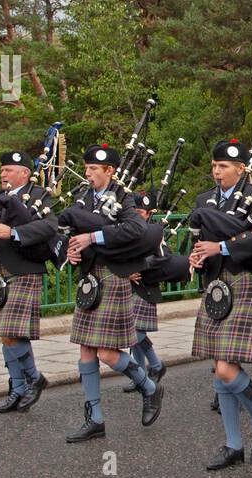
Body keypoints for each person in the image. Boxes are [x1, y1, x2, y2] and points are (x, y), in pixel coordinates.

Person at [13, 143, 164, 442]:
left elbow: (135, 231)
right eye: (86, 168)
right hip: (89, 278)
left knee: (107, 353)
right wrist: (73, 248)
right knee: (85, 349)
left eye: (94, 169)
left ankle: (148, 386)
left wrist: (92, 237)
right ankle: (95, 417)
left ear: (110, 170)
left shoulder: (124, 198)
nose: (88, 173)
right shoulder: (82, 196)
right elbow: (66, 228)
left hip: (113, 276)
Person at [189, 139, 252, 470]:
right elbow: (197, 238)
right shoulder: (204, 200)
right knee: (219, 368)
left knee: (227, 368)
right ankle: (232, 444)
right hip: (215, 285)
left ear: (241, 169)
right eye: (214, 166)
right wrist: (196, 255)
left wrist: (222, 248)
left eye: (224, 166)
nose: (217, 171)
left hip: (245, 281)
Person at [0, 150, 52, 414]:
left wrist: (14, 232)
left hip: (26, 268)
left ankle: (33, 379)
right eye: (2, 169)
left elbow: (50, 227)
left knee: (10, 332)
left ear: (25, 173)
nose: (3, 174)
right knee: (5, 335)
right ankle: (18, 388)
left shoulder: (40, 196)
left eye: (9, 170)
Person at [121, 192, 168, 393]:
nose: (138, 216)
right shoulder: (128, 229)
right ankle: (143, 373)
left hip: (146, 287)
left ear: (149, 214)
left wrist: (137, 266)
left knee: (135, 334)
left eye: (141, 212)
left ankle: (154, 366)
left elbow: (164, 257)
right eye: (135, 212)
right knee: (134, 334)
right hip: (129, 288)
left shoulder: (154, 232)